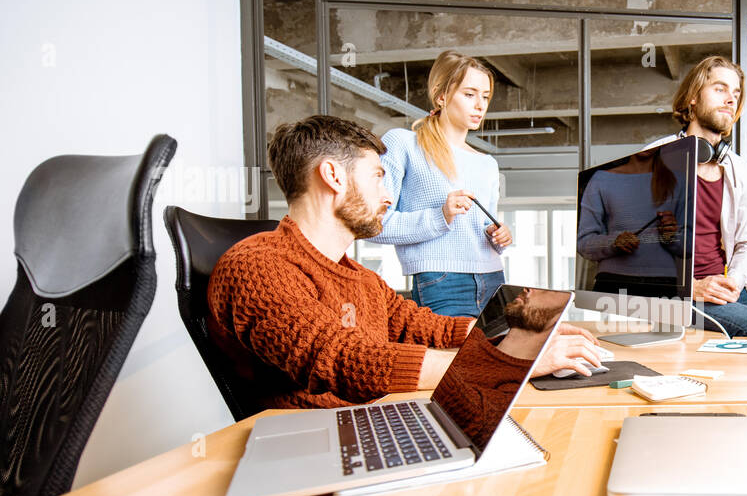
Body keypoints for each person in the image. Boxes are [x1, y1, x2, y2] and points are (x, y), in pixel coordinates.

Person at [207, 114, 602, 413]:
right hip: (309, 440)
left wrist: (523, 332)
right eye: (378, 176)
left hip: (373, 418)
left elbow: (428, 329)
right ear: (332, 176)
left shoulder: (360, 278)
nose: (387, 195)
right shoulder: (258, 266)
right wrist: (507, 362)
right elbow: (346, 360)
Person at [641, 56, 747, 338]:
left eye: (736, 93)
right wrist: (692, 286)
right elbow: (636, 248)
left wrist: (733, 282)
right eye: (720, 89)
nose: (731, 99)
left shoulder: (740, 170)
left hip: (723, 287)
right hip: (673, 292)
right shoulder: (653, 160)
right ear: (692, 98)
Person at [371, 51, 513, 318]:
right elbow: (374, 225)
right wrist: (441, 215)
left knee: (496, 359)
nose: (480, 105)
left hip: (494, 279)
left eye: (485, 96)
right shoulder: (404, 144)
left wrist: (500, 236)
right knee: (449, 360)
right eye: (469, 94)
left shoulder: (487, 164)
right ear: (442, 96)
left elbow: (483, 230)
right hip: (442, 282)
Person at [434, 287, 571, 451]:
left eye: (550, 291)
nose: (527, 288)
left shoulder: (508, 387)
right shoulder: (475, 340)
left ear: (558, 320)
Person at [576, 147, 687, 299]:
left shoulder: (678, 181)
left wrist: (671, 235)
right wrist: (614, 243)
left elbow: (690, 247)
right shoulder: (601, 180)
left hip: (663, 283)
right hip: (612, 280)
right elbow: (583, 243)